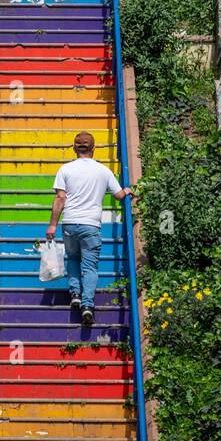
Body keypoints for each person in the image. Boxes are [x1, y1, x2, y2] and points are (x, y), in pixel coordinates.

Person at [46, 130, 133, 327]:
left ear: (75, 148)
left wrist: (52, 224)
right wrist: (127, 191)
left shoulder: (65, 169)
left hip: (69, 223)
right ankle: (87, 305)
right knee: (90, 266)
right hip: (91, 225)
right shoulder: (103, 171)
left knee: (73, 258)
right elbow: (119, 195)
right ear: (94, 148)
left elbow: (60, 198)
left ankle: (75, 293)